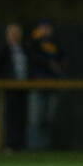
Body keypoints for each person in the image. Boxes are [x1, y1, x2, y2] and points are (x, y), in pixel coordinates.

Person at [26, 20, 65, 150]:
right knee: (36, 118)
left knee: (49, 118)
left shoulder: (55, 43)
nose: (45, 30)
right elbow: (31, 55)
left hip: (53, 85)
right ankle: (33, 147)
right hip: (37, 84)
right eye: (42, 28)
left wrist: (57, 67)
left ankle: (45, 147)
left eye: (47, 28)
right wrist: (49, 63)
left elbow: (63, 59)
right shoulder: (34, 42)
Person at [0, 22, 29, 152]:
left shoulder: (24, 48)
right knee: (10, 117)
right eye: (12, 33)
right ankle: (10, 144)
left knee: (22, 116)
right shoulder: (3, 49)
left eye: (17, 33)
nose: (14, 35)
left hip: (24, 87)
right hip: (9, 87)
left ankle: (20, 144)